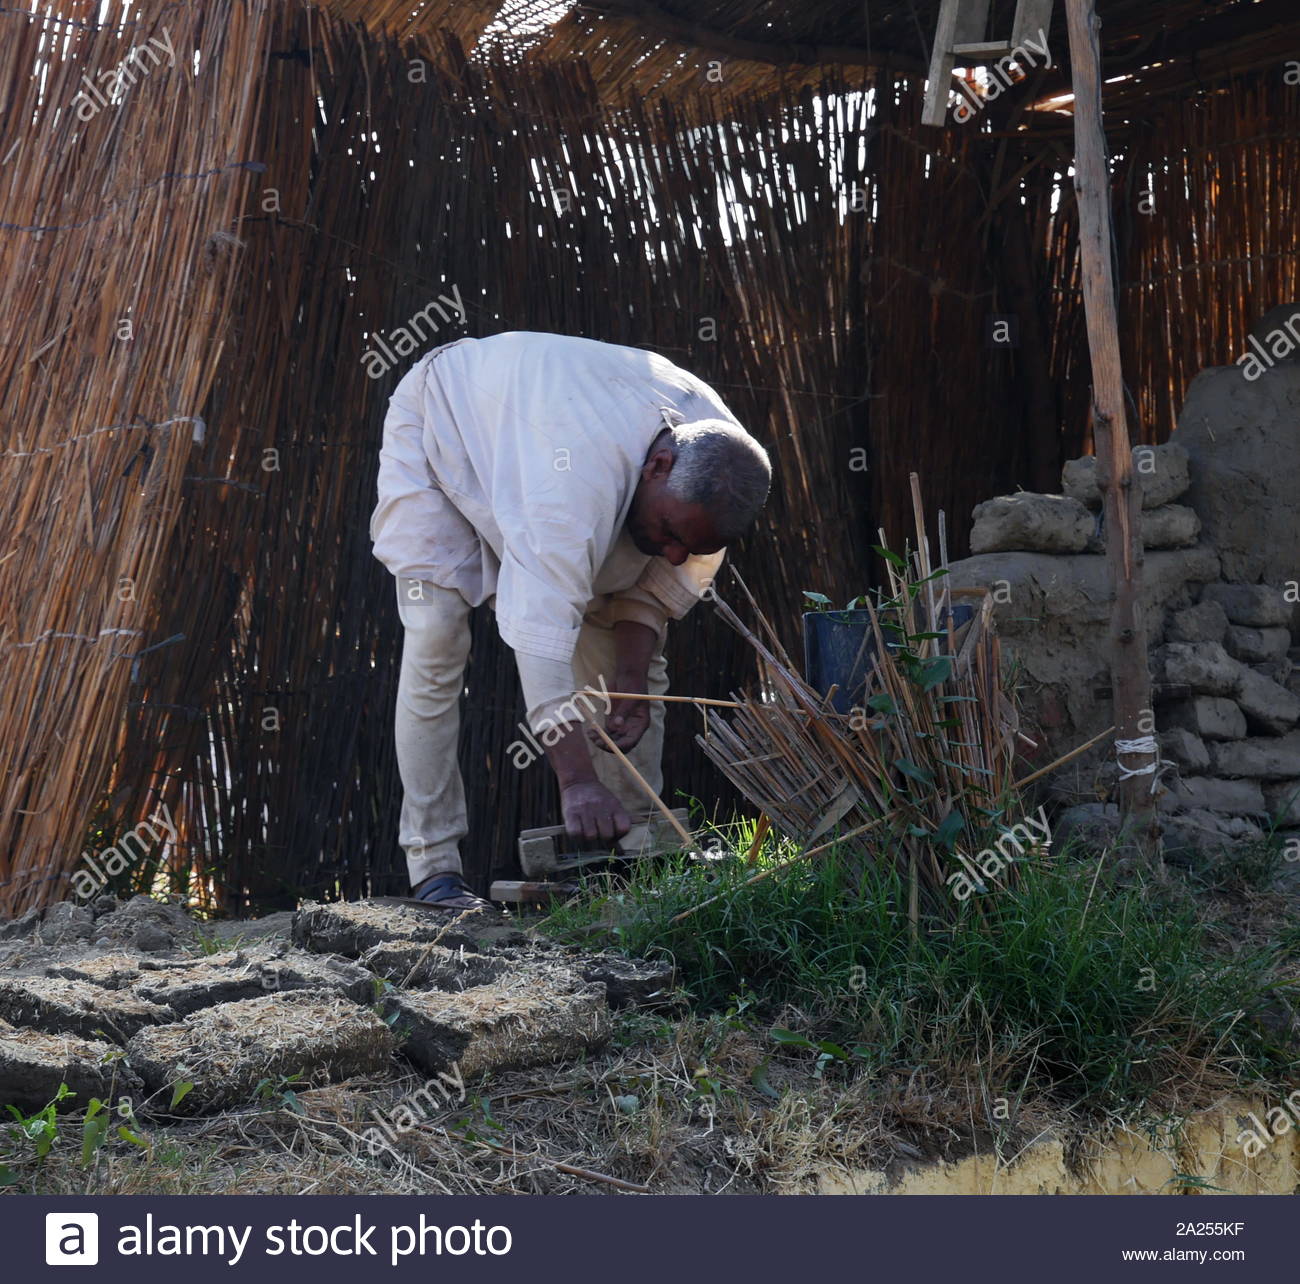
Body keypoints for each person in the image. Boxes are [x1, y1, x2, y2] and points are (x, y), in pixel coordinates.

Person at [370, 332, 772, 910]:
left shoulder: (723, 469)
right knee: (436, 634)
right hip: (443, 428)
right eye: (673, 536)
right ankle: (434, 869)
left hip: (552, 459)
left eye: (692, 546)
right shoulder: (570, 490)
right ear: (658, 465)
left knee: (633, 667)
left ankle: (637, 852)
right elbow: (540, 642)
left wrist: (630, 675)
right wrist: (576, 781)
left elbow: (652, 590)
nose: (677, 555)